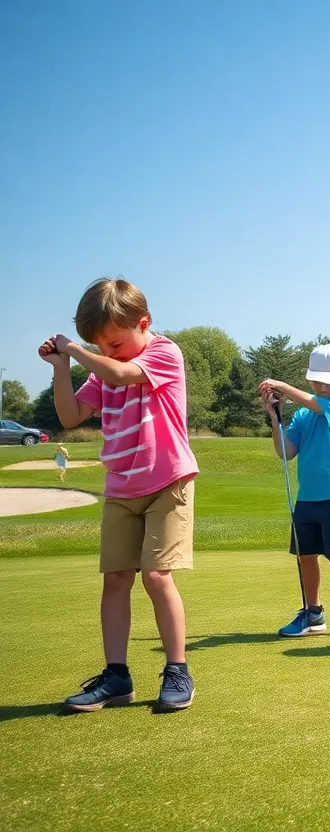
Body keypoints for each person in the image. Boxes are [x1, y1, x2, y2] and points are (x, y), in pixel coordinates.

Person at [40, 278, 199, 712]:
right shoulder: (101, 368)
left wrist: (75, 350)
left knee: (156, 576)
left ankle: (177, 669)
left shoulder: (164, 353)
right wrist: (61, 367)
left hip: (168, 481)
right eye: (100, 346)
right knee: (115, 579)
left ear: (143, 323)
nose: (107, 352)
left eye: (113, 342)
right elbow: (71, 415)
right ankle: (117, 677)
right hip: (121, 487)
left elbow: (122, 372)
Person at [262, 344, 330, 641]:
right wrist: (275, 417)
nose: (320, 385)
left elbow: (314, 403)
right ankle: (313, 613)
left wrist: (282, 385)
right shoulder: (304, 415)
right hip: (307, 496)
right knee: (305, 555)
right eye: (316, 380)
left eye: (327, 380)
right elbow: (287, 452)